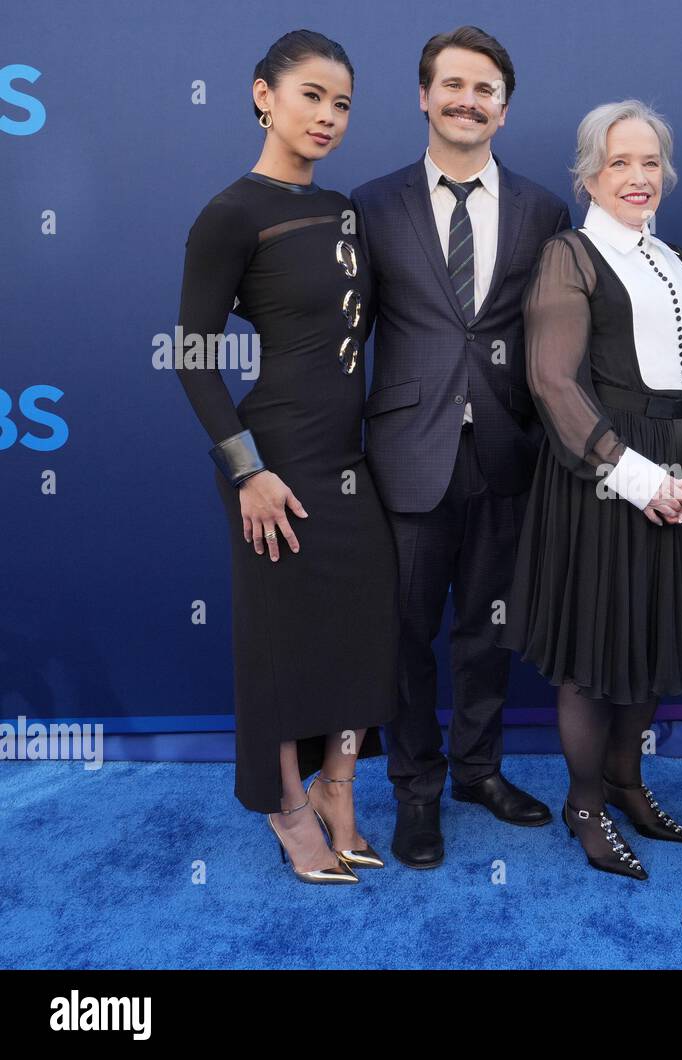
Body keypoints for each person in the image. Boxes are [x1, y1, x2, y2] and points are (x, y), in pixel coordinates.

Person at [175, 30, 398, 884]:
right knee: (279, 648)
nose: (328, 115)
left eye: (342, 103)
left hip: (349, 457)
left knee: (359, 632)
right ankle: (287, 808)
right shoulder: (230, 214)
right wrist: (247, 471)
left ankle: (339, 789)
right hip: (274, 462)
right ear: (263, 95)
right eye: (312, 95)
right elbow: (192, 355)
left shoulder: (345, 209)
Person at [350, 26, 570, 869]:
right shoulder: (372, 205)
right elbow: (348, 339)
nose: (467, 101)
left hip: (506, 455)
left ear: (503, 110)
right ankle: (416, 789)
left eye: (485, 90)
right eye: (453, 85)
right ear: (423, 96)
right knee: (406, 633)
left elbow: (552, 342)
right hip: (407, 454)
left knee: (488, 629)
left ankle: (479, 771)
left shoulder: (543, 211)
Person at [501, 101, 682, 880]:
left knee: (653, 635)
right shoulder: (571, 254)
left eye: (650, 162)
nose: (637, 176)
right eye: (619, 162)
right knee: (596, 650)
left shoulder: (678, 257)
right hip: (602, 475)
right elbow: (552, 383)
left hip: (681, 468)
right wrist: (637, 478)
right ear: (588, 175)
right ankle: (586, 804)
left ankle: (627, 782)